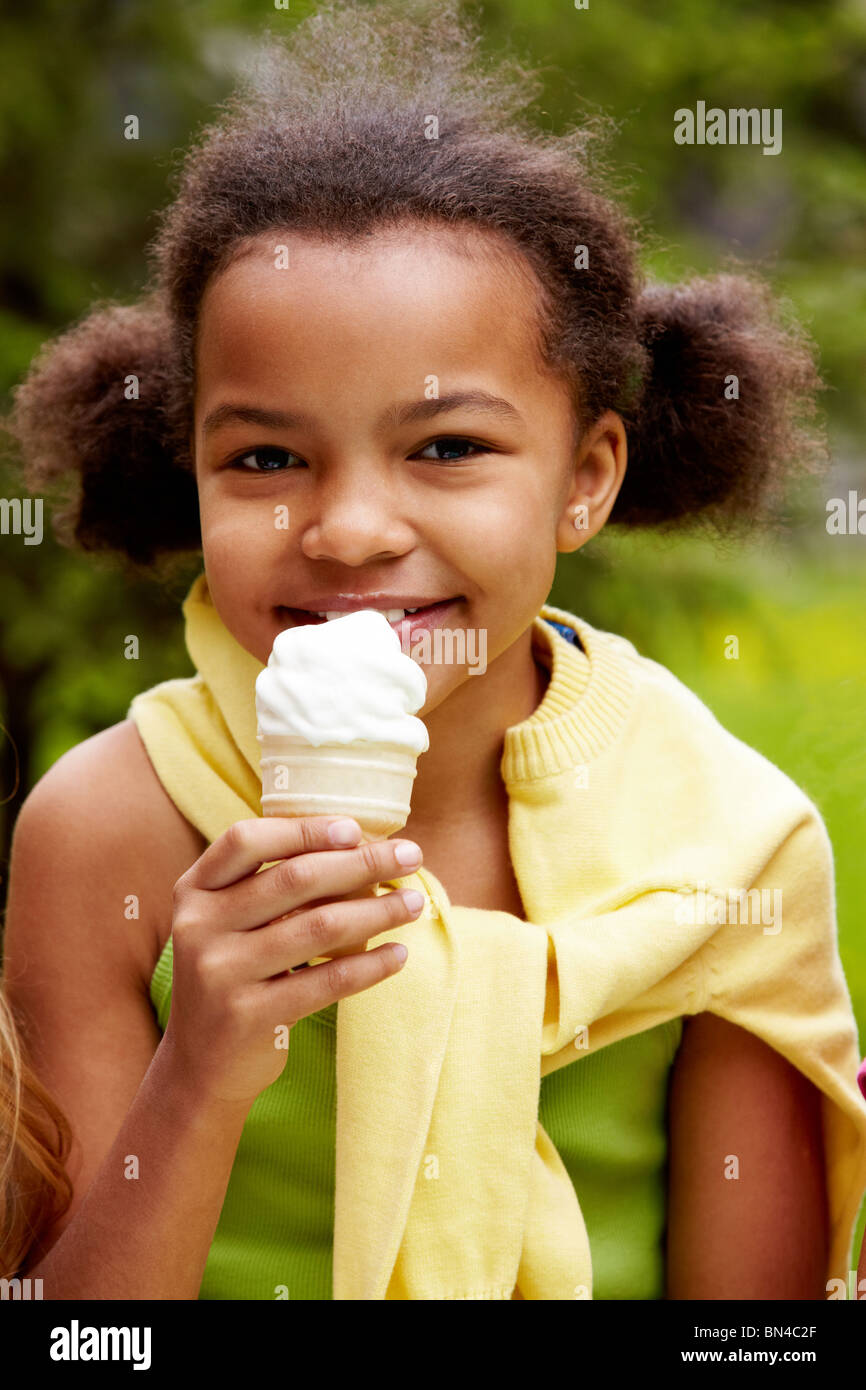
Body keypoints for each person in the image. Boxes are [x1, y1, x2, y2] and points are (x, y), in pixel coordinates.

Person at [2, 0, 865, 1299]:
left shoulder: (728, 846)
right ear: (190, 479)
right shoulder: (110, 829)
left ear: (584, 477)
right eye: (266, 458)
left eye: (447, 448)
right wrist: (205, 1066)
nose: (348, 529)